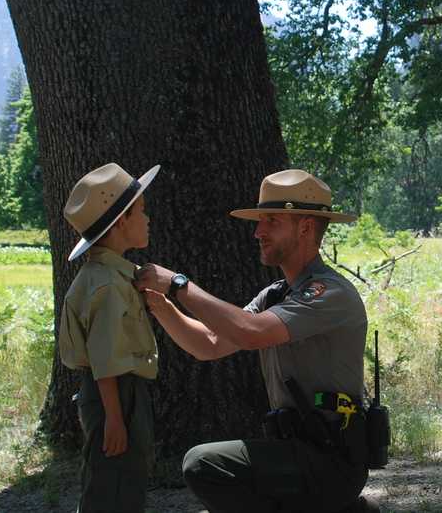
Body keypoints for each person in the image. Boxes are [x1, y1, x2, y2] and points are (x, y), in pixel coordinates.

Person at [135, 168, 378, 513]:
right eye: (260, 221)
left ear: (306, 227)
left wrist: (178, 284)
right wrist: (162, 307)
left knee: (202, 464)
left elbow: (251, 333)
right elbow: (211, 343)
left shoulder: (329, 292)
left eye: (271, 221)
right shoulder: (276, 295)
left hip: (329, 462)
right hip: (296, 453)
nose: (258, 232)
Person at [57, 162, 161, 513]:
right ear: (120, 223)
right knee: (114, 487)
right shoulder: (108, 285)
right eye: (141, 212)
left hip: (113, 391)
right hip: (115, 393)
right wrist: (115, 417)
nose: (148, 220)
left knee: (120, 481)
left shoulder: (110, 275)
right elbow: (105, 357)